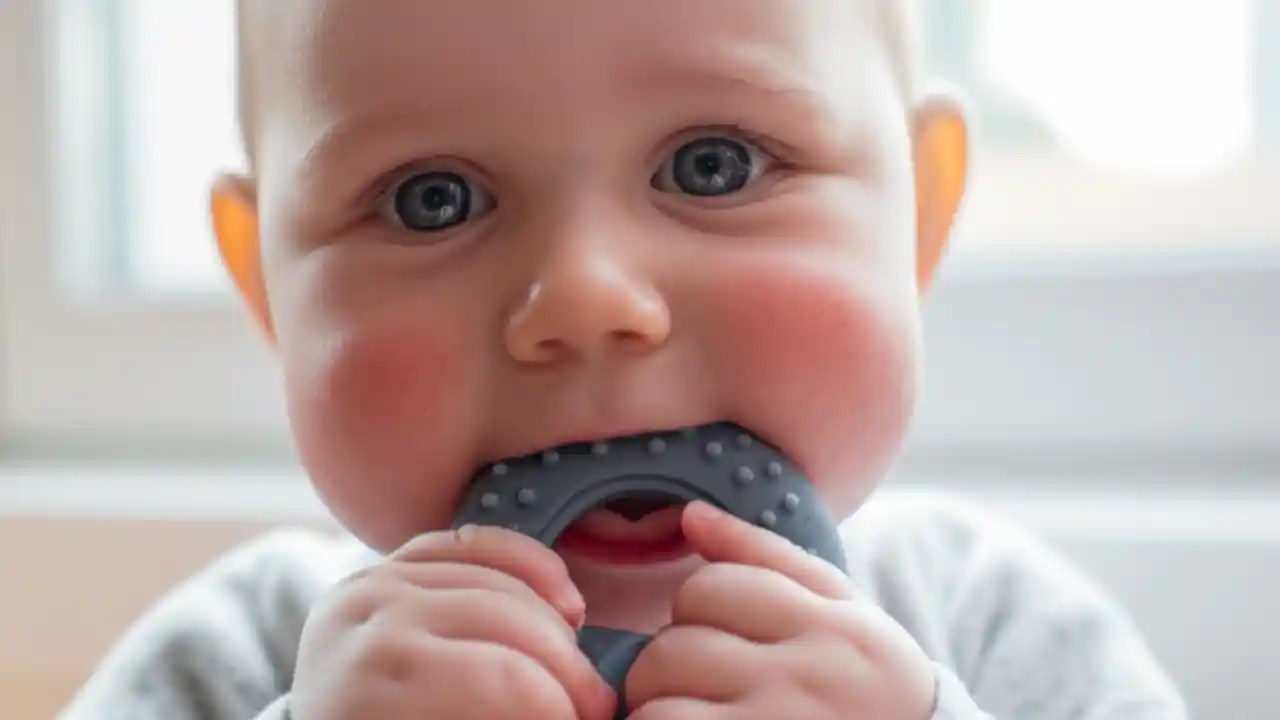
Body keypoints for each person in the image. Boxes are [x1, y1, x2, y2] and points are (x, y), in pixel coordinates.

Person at [61, 1, 1187, 718]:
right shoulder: (240, 657)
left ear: (918, 217)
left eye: (711, 166)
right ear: (267, 288)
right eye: (431, 199)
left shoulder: (986, 624)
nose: (588, 299)